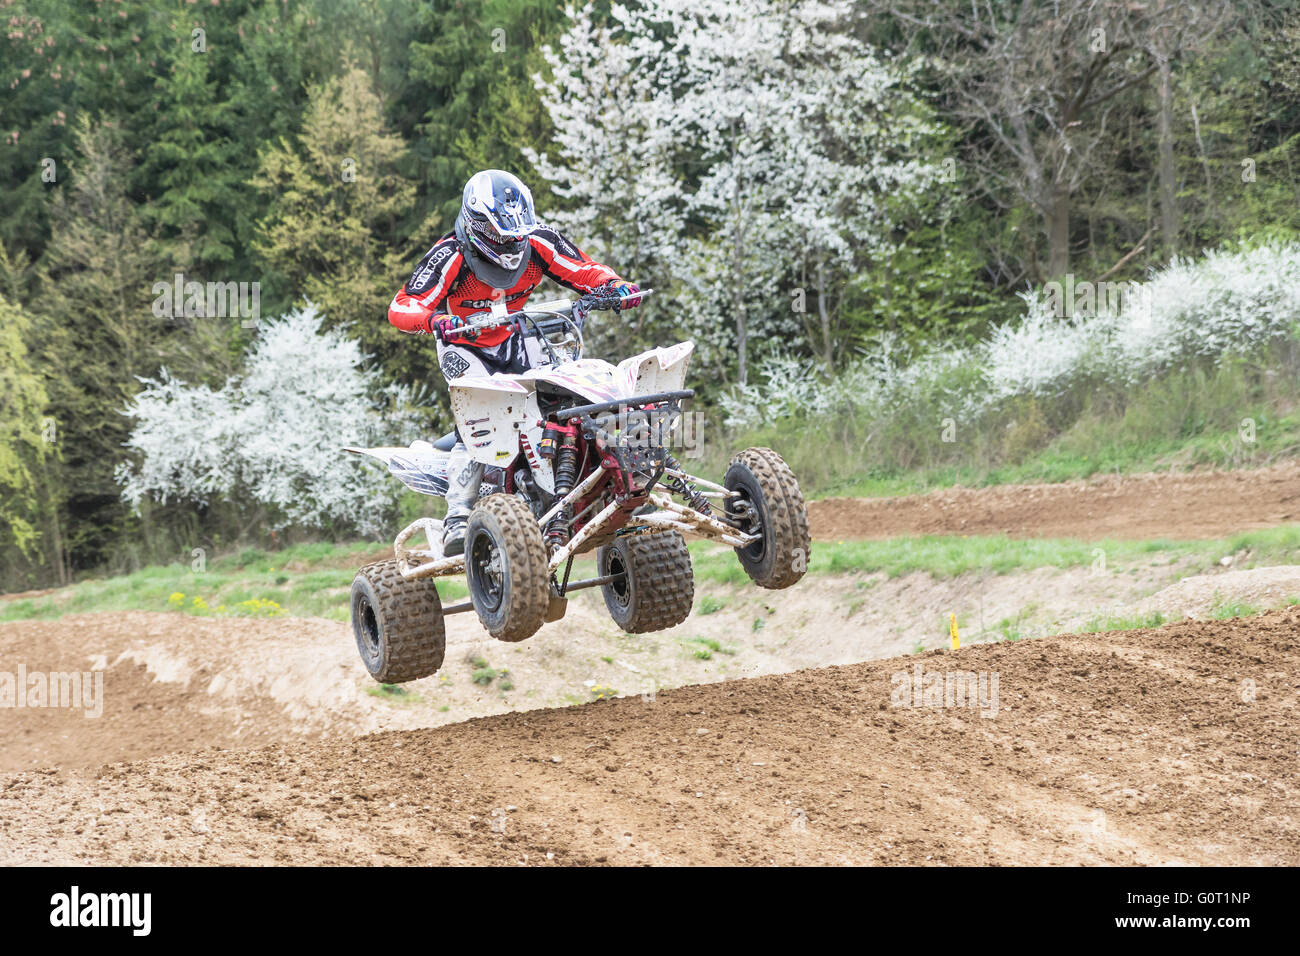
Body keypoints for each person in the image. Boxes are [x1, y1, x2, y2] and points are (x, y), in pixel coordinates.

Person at [387, 169, 642, 555]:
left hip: (517, 336)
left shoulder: (538, 240)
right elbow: (402, 305)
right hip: (465, 346)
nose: (509, 246)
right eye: (500, 237)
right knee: (480, 421)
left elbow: (584, 270)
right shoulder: (451, 253)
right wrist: (436, 320)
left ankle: (596, 479)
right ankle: (457, 517)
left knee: (567, 397)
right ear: (475, 224)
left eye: (515, 237)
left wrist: (614, 286)